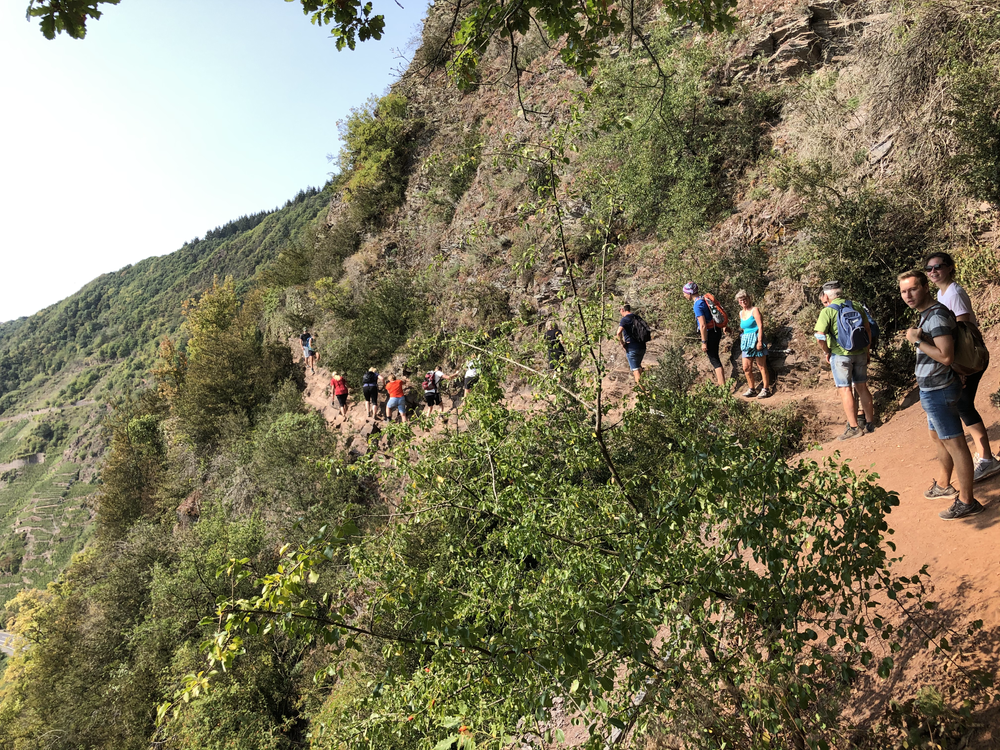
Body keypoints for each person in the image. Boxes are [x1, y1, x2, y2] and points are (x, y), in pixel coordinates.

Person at [899, 269, 983, 520]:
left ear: (925, 287)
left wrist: (916, 340)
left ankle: (968, 502)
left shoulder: (935, 316)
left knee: (955, 443)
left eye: (913, 289)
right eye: (904, 291)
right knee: (939, 438)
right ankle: (944, 485)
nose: (908, 295)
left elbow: (945, 356)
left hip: (940, 389)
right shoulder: (928, 315)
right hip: (932, 389)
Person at [924, 252, 1000, 483]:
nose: (933, 271)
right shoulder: (942, 292)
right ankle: (985, 456)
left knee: (964, 405)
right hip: (960, 359)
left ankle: (987, 459)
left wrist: (958, 367)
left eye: (938, 267)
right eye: (929, 269)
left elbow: (962, 328)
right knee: (963, 405)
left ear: (949, 268)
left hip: (967, 358)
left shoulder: (954, 293)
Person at [813, 281, 875, 440]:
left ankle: (854, 427)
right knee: (862, 387)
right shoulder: (856, 306)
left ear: (826, 296)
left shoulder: (827, 311)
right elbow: (868, 329)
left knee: (845, 389)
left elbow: (820, 336)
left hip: (840, 355)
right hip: (860, 351)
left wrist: (827, 351)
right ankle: (870, 423)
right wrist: (867, 351)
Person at [682, 283, 724, 387]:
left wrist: (704, 342)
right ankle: (721, 383)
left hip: (710, 333)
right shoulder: (703, 299)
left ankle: (723, 386)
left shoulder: (697, 304)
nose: (684, 295)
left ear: (690, 293)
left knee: (714, 359)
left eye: (685, 293)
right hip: (716, 330)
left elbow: (703, 325)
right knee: (715, 357)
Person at [735, 290, 771, 399]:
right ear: (738, 302)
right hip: (746, 341)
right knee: (746, 367)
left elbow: (760, 326)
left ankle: (766, 389)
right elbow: (744, 328)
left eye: (745, 299)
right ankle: (752, 389)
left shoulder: (755, 310)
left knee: (761, 366)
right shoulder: (741, 313)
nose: (743, 302)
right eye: (741, 300)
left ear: (749, 299)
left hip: (756, 339)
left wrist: (759, 341)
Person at [614, 304, 645, 385]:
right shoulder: (638, 318)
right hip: (642, 347)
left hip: (632, 348)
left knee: (636, 371)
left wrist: (622, 343)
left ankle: (644, 393)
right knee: (639, 367)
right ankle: (644, 386)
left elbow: (618, 333)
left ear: (622, 310)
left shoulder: (625, 319)